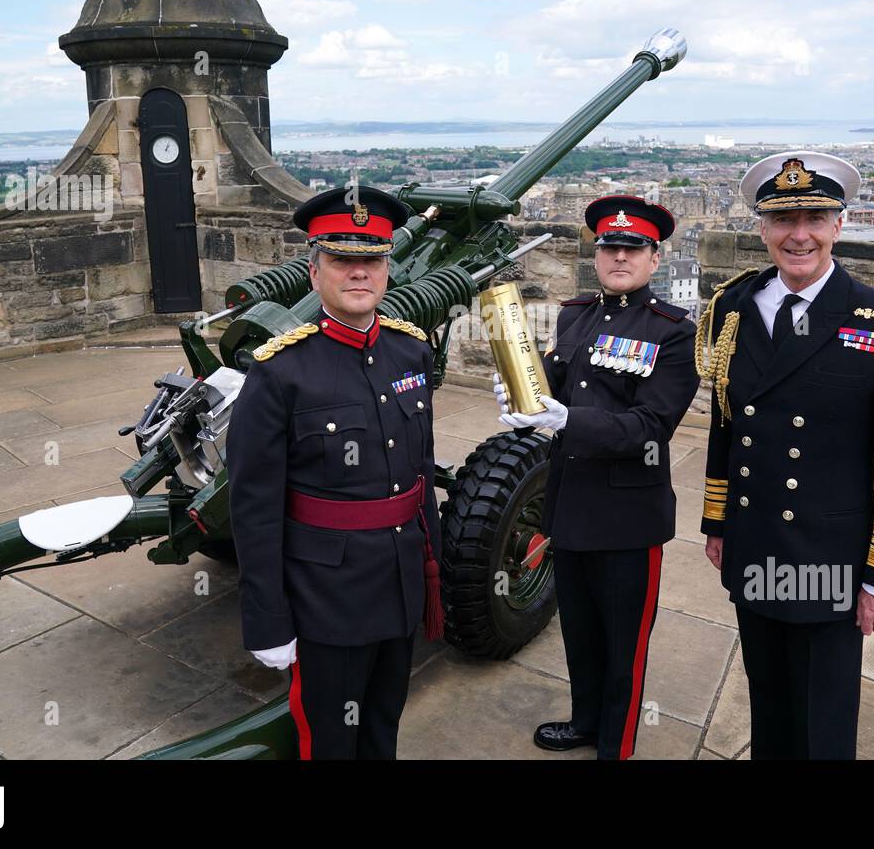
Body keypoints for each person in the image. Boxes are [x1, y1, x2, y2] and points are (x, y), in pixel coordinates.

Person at [697, 151, 874, 759]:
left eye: (816, 217)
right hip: (754, 540)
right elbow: (726, 423)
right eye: (783, 219)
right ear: (762, 229)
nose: (799, 234)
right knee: (767, 697)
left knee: (822, 719)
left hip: (829, 556)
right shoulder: (734, 309)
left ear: (839, 224)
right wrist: (718, 523)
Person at [225, 184, 441, 760]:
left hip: (398, 582)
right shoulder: (280, 373)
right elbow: (254, 508)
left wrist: (432, 574)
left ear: (387, 270)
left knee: (383, 725)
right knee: (329, 743)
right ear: (316, 269)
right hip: (327, 596)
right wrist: (267, 619)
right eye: (343, 259)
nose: (359, 273)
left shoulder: (409, 352)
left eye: (371, 259)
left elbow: (421, 473)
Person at [494, 195, 700, 760]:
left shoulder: (674, 331)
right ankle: (585, 720)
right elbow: (558, 388)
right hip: (571, 503)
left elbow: (650, 425)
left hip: (628, 515)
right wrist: (524, 398)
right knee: (581, 634)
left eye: (633, 248)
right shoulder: (575, 314)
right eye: (610, 246)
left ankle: (617, 743)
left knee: (622, 644)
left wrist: (567, 420)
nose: (619, 256)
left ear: (654, 259)